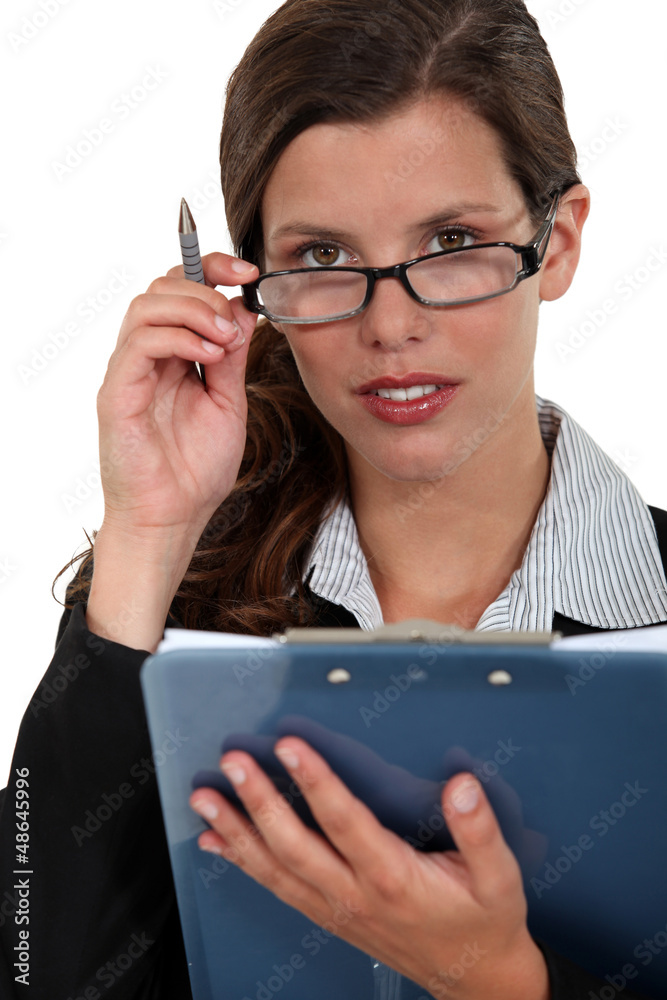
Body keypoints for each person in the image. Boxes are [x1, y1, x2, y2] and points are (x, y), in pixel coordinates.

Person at [1, 0, 665, 997]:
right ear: (252, 286)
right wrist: (149, 530)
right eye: (320, 258)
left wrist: (502, 982)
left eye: (450, 239)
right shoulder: (172, 597)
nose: (389, 324)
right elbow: (33, 966)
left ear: (557, 242)